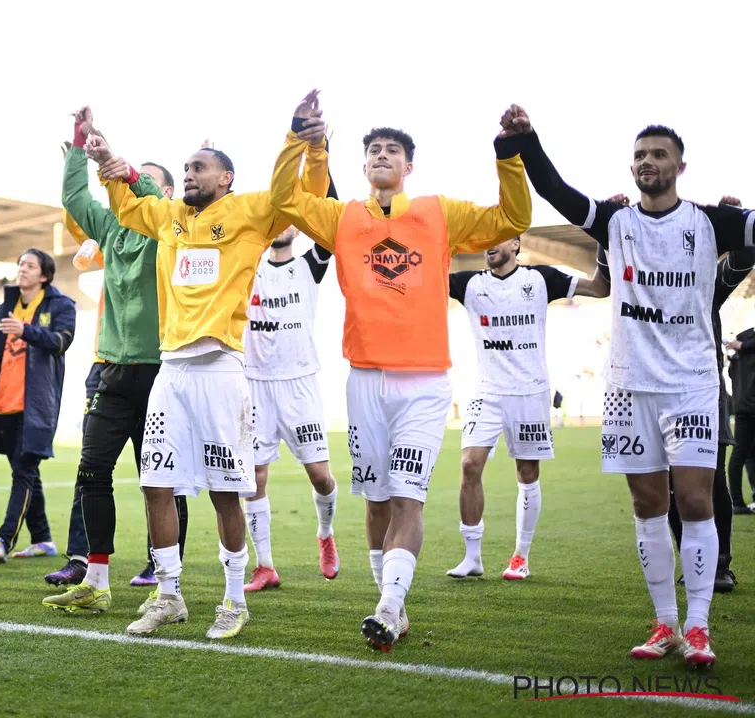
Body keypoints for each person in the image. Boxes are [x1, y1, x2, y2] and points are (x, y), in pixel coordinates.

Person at [271, 102, 531, 652]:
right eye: (372, 151)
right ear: (364, 167)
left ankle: (388, 606)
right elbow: (285, 201)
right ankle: (392, 600)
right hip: (364, 379)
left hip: (425, 382)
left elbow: (512, 219)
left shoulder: (438, 213)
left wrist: (509, 155)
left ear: (408, 166)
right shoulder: (342, 218)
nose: (381, 156)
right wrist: (299, 138)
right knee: (376, 500)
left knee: (408, 496)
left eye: (392, 151)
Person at [515, 109, 755, 668]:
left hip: (691, 384)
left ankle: (698, 627)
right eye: (641, 155)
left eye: (659, 154)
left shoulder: (711, 222)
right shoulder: (614, 222)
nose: (649, 162)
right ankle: (665, 624)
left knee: (695, 500)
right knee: (647, 505)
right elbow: (555, 190)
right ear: (633, 166)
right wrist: (524, 141)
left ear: (679, 165)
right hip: (627, 387)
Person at [92, 91, 330, 639]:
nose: (190, 174)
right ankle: (169, 594)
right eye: (186, 168)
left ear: (226, 177)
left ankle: (232, 599)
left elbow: (300, 195)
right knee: (156, 484)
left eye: (199, 167)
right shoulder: (170, 217)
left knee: (227, 491)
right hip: (170, 372)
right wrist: (105, 159)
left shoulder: (250, 212)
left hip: (221, 368)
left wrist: (302, 138)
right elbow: (128, 204)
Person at [43, 109, 187, 606]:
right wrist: (82, 153)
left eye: (151, 182)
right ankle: (97, 583)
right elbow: (75, 198)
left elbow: (146, 193)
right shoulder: (110, 228)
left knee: (163, 481)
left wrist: (127, 169)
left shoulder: (173, 227)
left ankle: (166, 577)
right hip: (111, 370)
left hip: (162, 370)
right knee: (91, 472)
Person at [446, 237, 607, 582]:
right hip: (486, 392)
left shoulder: (540, 279)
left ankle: (520, 556)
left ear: (516, 244)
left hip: (529, 392)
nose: (489, 243)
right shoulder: (467, 283)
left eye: (498, 236)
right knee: (469, 465)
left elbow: (600, 287)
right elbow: (422, 281)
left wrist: (606, 238)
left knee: (527, 474)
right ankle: (472, 557)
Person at [241, 172, 342, 594]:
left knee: (320, 476)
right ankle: (264, 565)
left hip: (300, 384)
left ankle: (324, 533)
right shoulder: (246, 266)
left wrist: (323, 160)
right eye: (275, 216)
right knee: (254, 478)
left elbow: (333, 215)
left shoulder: (309, 267)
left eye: (290, 217)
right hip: (255, 385)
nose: (282, 223)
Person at [0, 249, 75, 565]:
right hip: (2, 404)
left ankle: (3, 541)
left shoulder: (61, 305)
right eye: (20, 264)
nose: (22, 269)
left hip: (35, 406)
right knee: (25, 472)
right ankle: (42, 539)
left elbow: (61, 341)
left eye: (30, 265)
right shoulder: (5, 307)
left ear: (44, 275)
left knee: (23, 472)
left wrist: (26, 331)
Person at [728, 328, 755, 512]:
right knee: (744, 454)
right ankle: (737, 501)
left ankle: (737, 501)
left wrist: (740, 346)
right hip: (751, 405)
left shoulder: (737, 357)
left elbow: (731, 375)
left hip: (741, 405)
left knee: (745, 454)